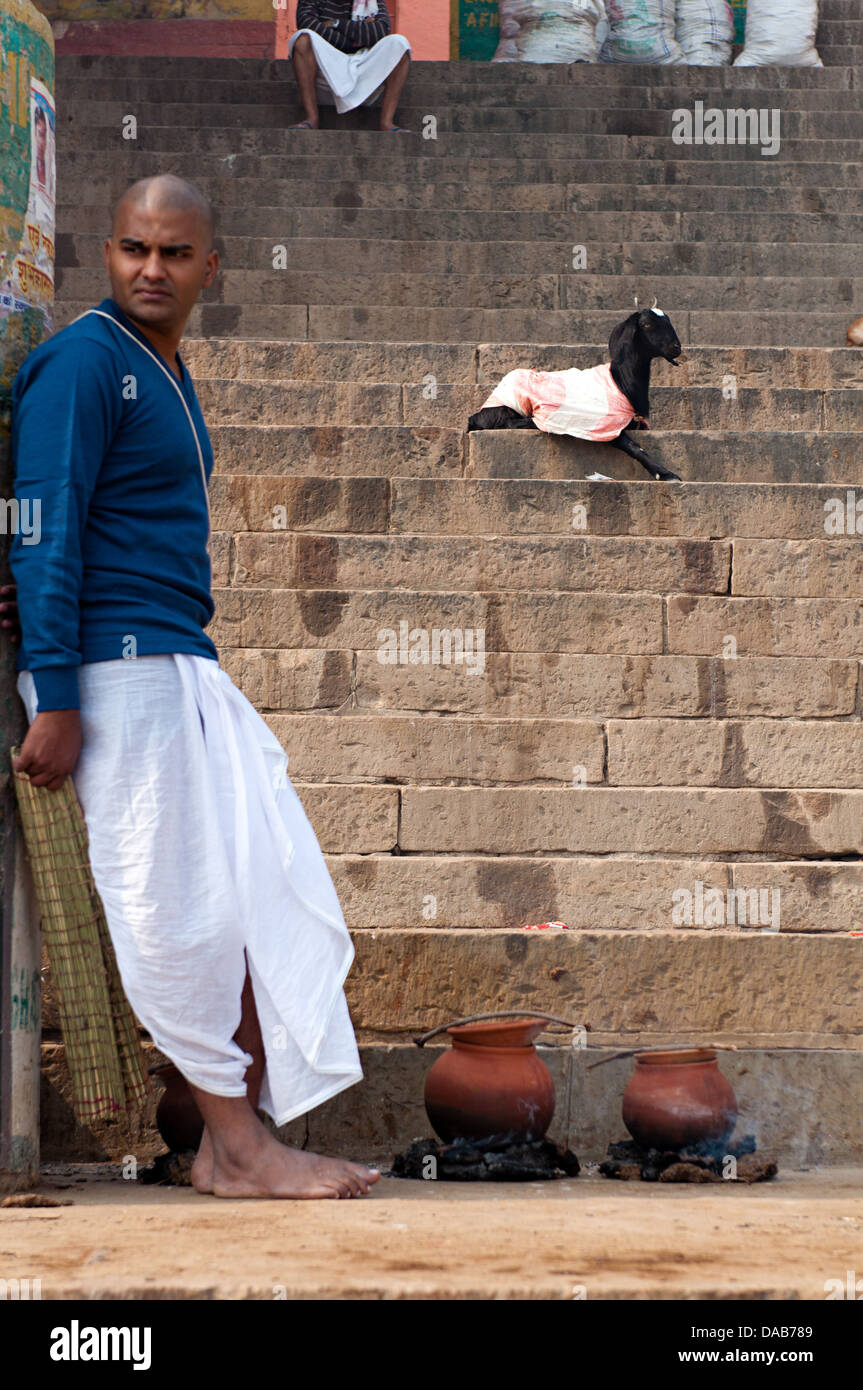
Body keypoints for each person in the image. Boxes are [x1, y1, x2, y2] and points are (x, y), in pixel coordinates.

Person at [8, 174, 380, 1201]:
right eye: (134, 249)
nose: (151, 270)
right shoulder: (85, 361)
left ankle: (233, 1136)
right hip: (115, 671)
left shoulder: (167, 367)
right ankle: (239, 1145)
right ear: (108, 251)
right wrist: (58, 688)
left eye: (174, 254)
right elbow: (43, 523)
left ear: (210, 266)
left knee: (255, 892)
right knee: (172, 909)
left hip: (179, 663)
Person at [289, 0, 411, 132]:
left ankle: (386, 122)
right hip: (327, 67)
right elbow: (307, 24)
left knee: (399, 43)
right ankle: (312, 118)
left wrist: (336, 24)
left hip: (364, 68)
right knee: (303, 40)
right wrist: (355, 39)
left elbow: (381, 30)